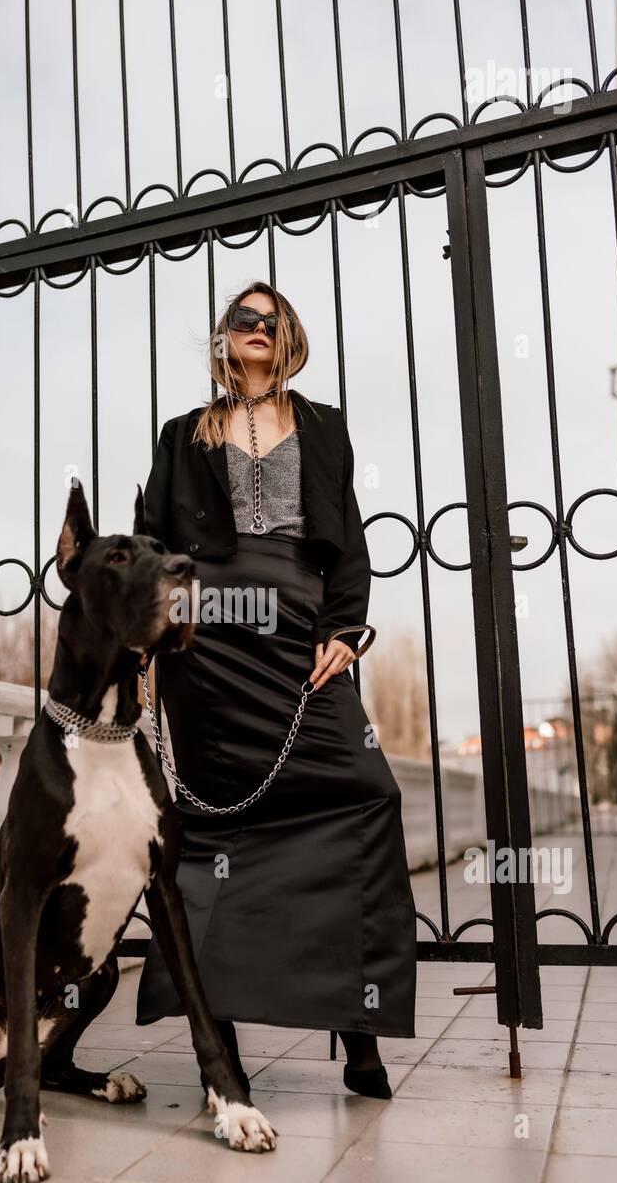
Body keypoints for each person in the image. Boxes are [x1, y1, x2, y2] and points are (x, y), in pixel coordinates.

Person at [135, 280, 417, 1098]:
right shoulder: (182, 434)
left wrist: (346, 628)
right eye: (241, 319)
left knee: (365, 795)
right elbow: (156, 541)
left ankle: (358, 1031)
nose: (255, 329)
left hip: (299, 629)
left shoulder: (323, 426)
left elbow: (349, 541)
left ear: (287, 337)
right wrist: (155, 640)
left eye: (270, 320)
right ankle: (219, 1048)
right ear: (224, 338)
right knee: (212, 829)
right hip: (208, 639)